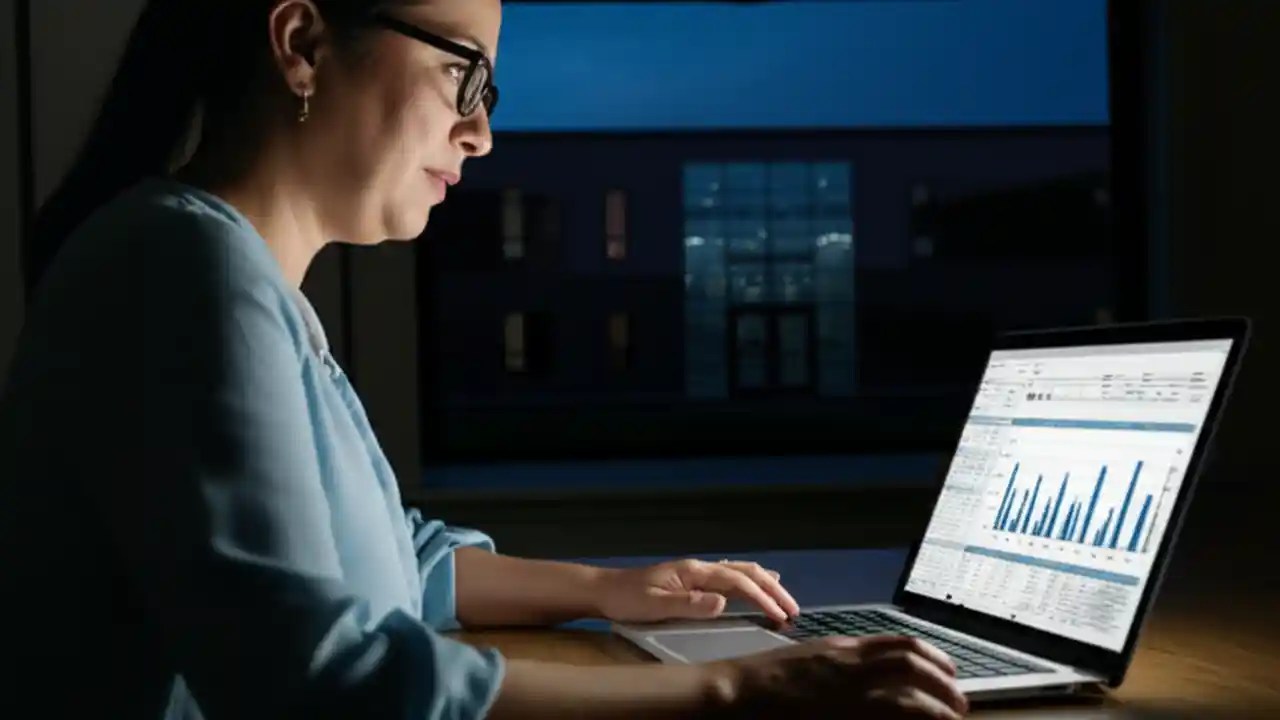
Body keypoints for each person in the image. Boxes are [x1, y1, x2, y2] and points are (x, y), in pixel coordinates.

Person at [0, 1, 969, 718]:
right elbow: (313, 677)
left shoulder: (224, 272)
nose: (482, 132)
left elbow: (377, 560)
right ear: (302, 46)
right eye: (465, 76)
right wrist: (730, 691)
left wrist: (605, 590)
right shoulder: (186, 269)